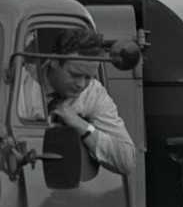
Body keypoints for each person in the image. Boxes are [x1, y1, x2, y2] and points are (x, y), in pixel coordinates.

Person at [16, 26, 136, 177]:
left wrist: (80, 125)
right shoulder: (17, 84)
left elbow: (127, 159)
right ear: (54, 61)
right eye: (74, 75)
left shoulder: (93, 93)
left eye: (88, 77)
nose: (81, 84)